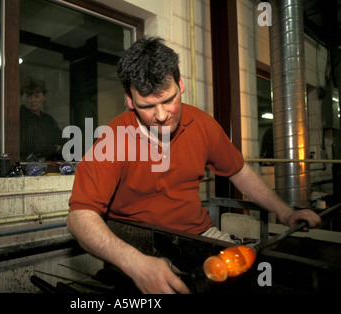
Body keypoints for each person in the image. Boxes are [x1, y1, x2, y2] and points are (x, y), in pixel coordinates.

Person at [67, 37, 321, 294]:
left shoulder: (203, 125)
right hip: (138, 242)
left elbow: (239, 171)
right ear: (130, 100)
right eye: (147, 106)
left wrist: (286, 212)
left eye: (168, 100)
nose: (162, 115)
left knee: (260, 280)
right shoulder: (114, 137)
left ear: (180, 84)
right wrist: (133, 262)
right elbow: (79, 217)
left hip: (198, 235)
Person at [19, 76, 64, 161]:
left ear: (44, 97)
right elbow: (23, 148)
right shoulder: (17, 119)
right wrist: (52, 149)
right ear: (22, 97)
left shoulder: (48, 119)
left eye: (37, 96)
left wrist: (46, 152)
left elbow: (62, 143)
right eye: (28, 96)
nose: (33, 100)